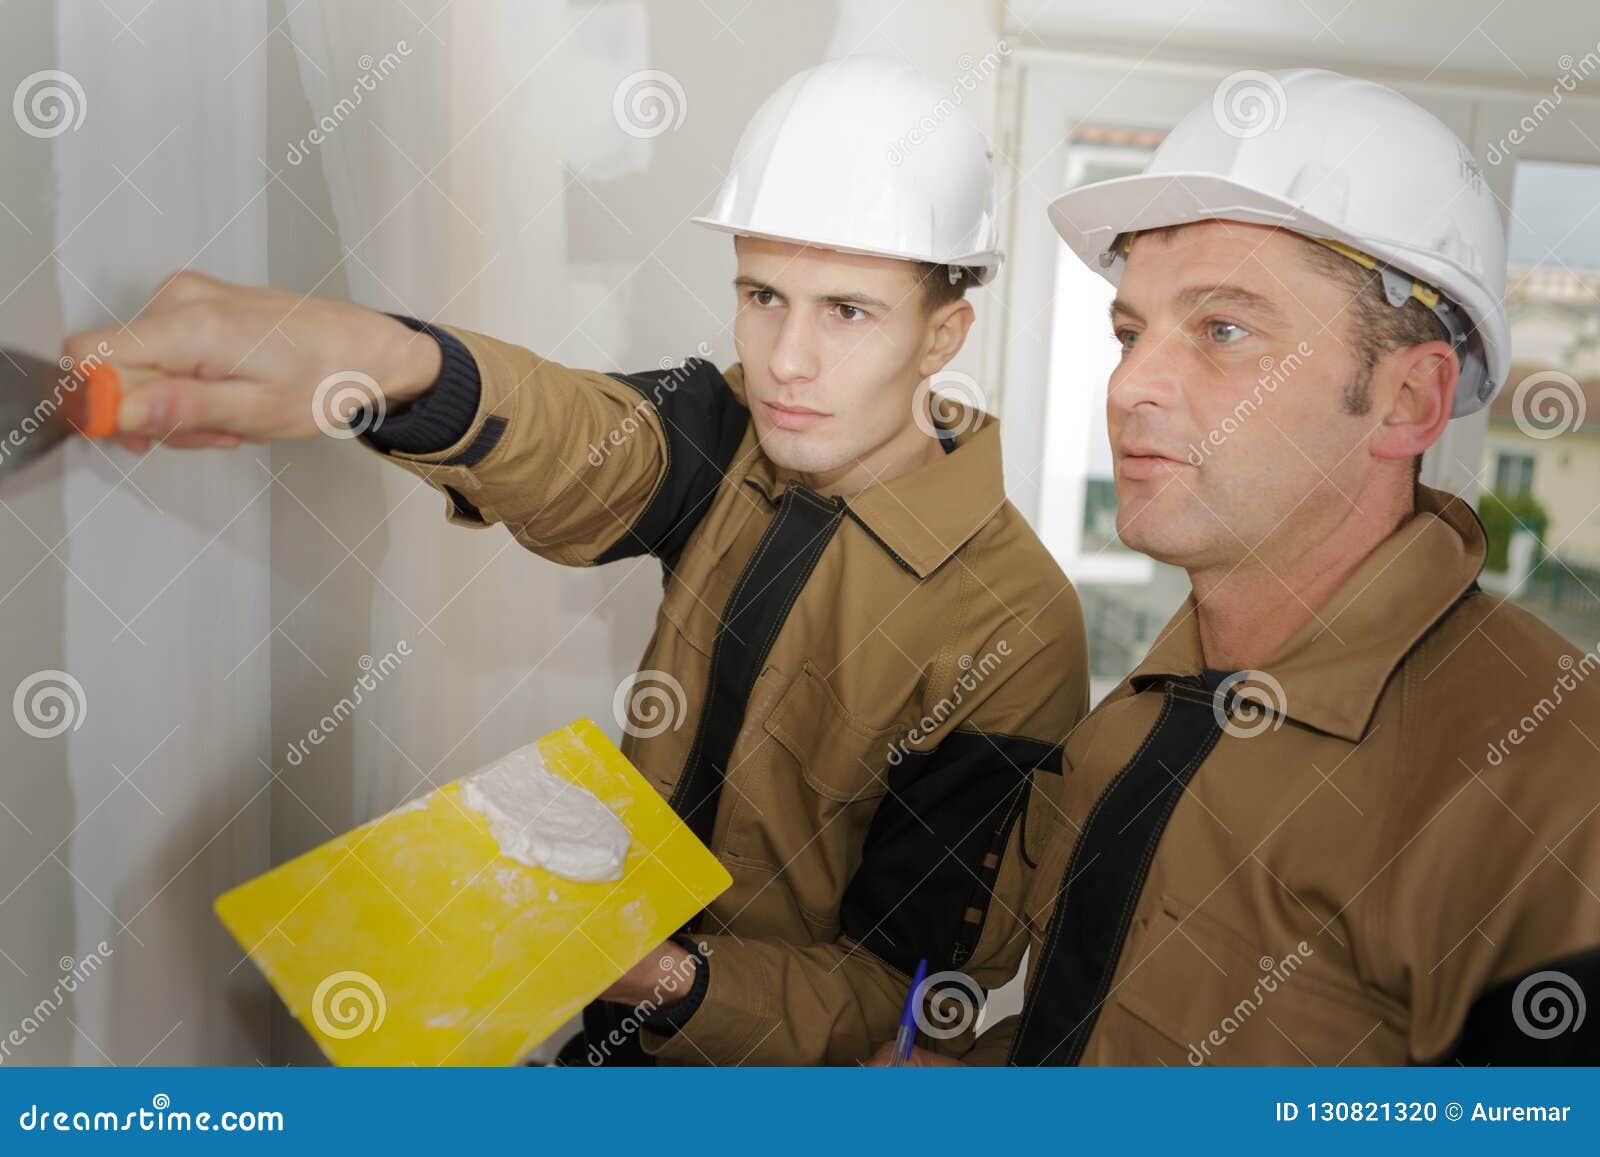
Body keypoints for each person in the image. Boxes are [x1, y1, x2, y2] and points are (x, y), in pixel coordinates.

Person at [64, 57, 1088, 1066]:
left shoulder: (1014, 620)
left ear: (942, 331)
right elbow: (586, 446)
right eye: (763, 295)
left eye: (847, 311)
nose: (784, 359)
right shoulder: (735, 428)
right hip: (610, 1041)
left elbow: (903, 997)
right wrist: (392, 363)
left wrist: (661, 975)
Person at [875, 68, 1599, 1066]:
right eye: (1129, 332)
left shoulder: (1553, 780)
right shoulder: (1136, 717)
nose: (1128, 386)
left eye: (1222, 330)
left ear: (1406, 402)